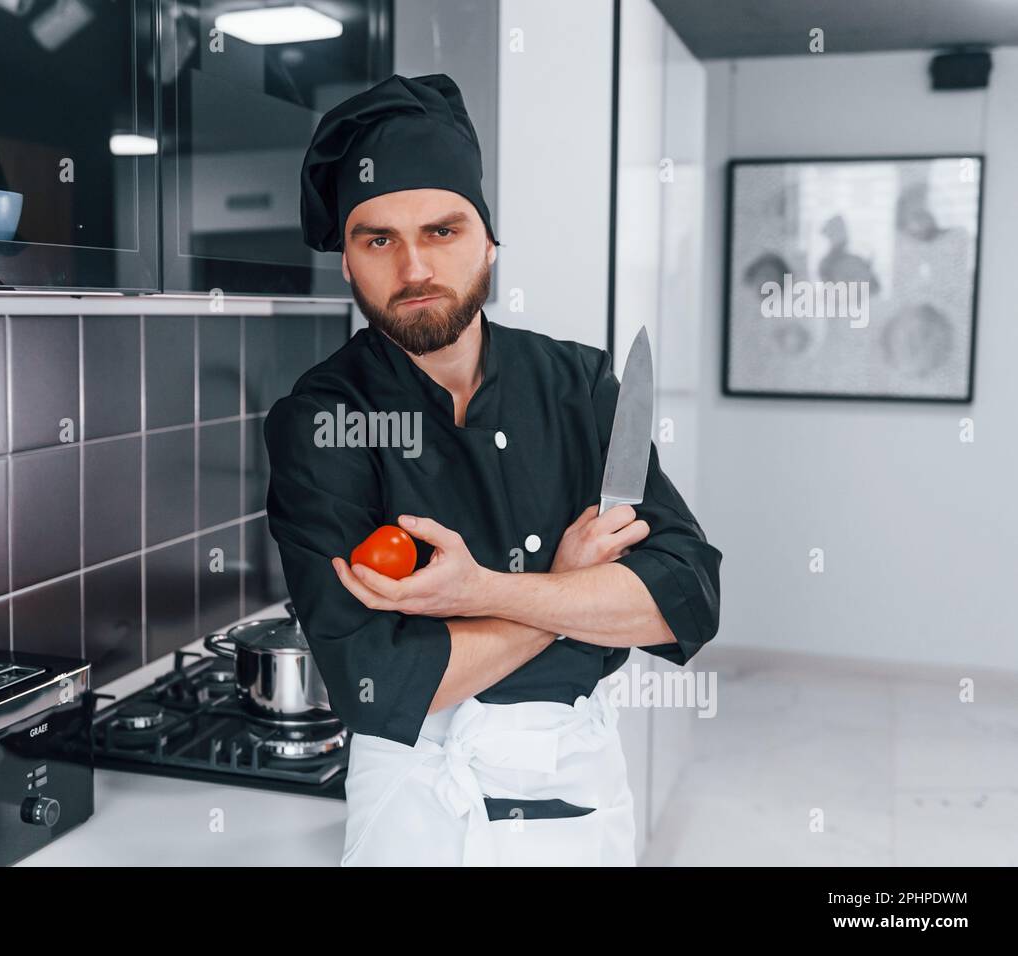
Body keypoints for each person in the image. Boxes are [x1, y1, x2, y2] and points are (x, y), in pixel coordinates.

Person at [265, 72, 722, 866]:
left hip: (577, 789)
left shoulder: (580, 385)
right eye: (378, 239)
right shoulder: (319, 420)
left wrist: (481, 594)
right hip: (414, 796)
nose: (413, 269)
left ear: (489, 241)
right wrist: (568, 590)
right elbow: (377, 682)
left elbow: (684, 598)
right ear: (345, 261)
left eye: (442, 230)